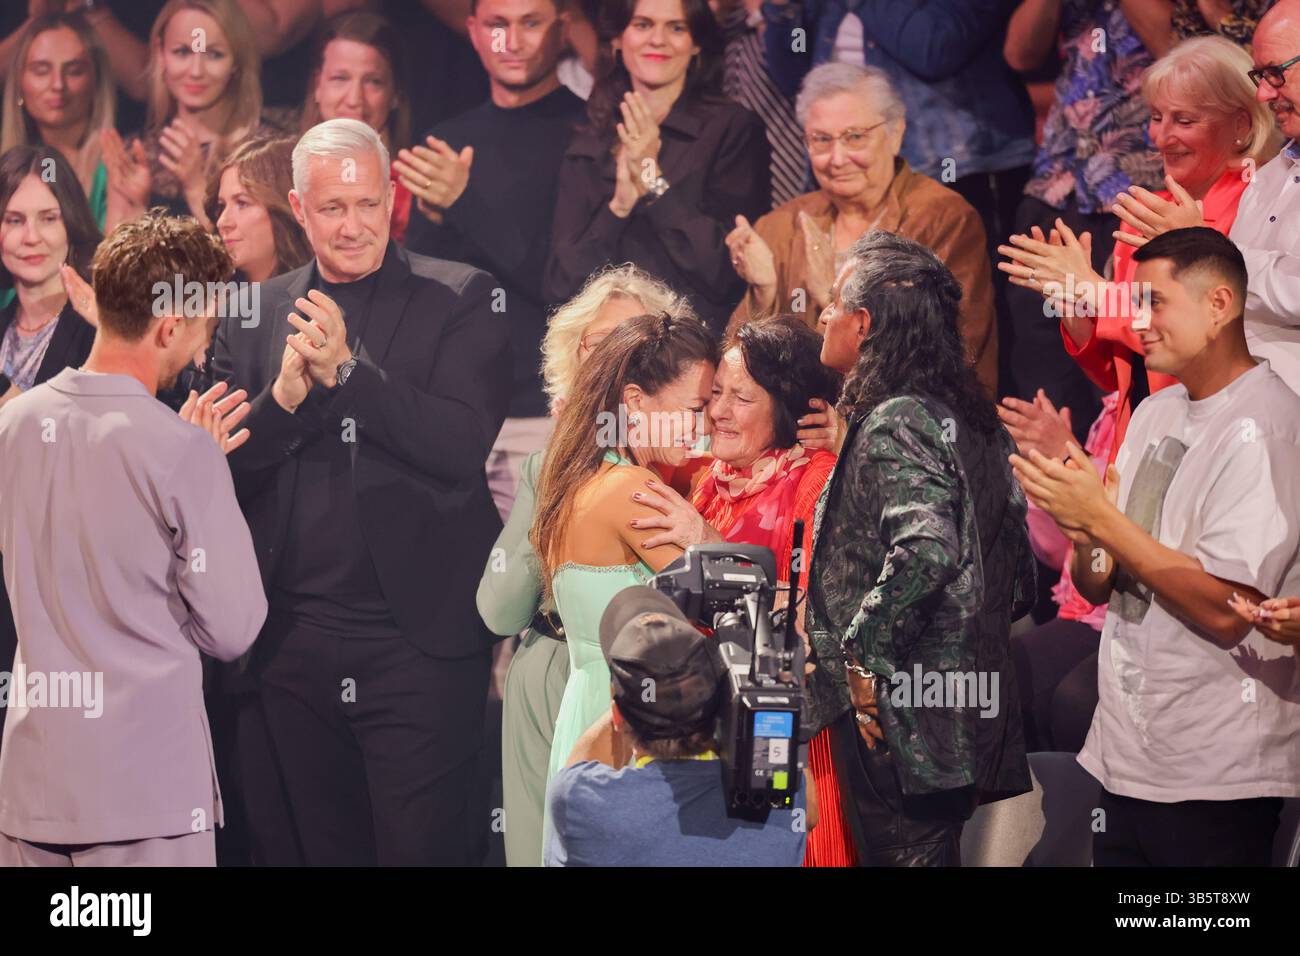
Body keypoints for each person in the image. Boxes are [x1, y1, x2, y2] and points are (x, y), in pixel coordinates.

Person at [208, 118, 512, 865]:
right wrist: (278, 405)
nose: (352, 226)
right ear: (299, 209)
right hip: (292, 645)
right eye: (333, 209)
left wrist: (348, 375)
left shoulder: (463, 296)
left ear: (393, 200)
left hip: (417, 647)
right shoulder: (251, 315)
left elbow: (456, 446)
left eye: (368, 205)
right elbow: (220, 477)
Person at [1011, 227, 1300, 865]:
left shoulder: (1265, 426)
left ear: (1220, 306)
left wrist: (1103, 522)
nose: (1136, 320)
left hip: (1215, 770)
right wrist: (1083, 521)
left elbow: (1229, 608)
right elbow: (1099, 581)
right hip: (1128, 756)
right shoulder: (1153, 414)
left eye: (1154, 301)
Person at [0, 210, 266, 867]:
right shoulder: (182, 449)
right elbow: (233, 628)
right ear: (170, 324)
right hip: (146, 795)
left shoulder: (15, 424)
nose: (204, 344)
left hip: (33, 788)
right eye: (203, 325)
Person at [807, 230, 1035, 866]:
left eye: (832, 302)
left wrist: (863, 661)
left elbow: (928, 550)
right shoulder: (972, 419)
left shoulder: (896, 419)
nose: (821, 314)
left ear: (865, 321)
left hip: (901, 715)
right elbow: (1016, 581)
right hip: (954, 706)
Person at [620, 314, 856, 865]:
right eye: (716, 394)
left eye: (742, 398)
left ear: (787, 405)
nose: (719, 411)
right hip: (708, 732)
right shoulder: (710, 481)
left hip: (785, 732)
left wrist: (707, 540)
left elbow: (805, 622)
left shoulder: (815, 481)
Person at [477, 263, 688, 867]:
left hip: (651, 689)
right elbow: (496, 609)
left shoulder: (689, 463)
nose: (612, 362)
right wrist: (561, 471)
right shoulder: (548, 467)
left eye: (635, 345)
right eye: (597, 345)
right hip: (547, 667)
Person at [1000, 35, 1279, 459]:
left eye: (1184, 121)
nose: (1161, 137)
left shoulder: (1260, 205)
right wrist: (1075, 306)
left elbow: (1205, 331)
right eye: (1155, 117)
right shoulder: (1143, 212)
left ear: (1241, 126)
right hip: (1143, 445)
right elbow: (1120, 375)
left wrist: (1094, 292)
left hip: (1227, 439)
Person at [399, 0, 587, 521]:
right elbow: (419, 282)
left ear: (564, 30)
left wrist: (465, 204)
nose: (513, 40)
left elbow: (566, 282)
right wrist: (438, 219)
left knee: (537, 593)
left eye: (531, 22)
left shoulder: (589, 134)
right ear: (474, 33)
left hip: (547, 408)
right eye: (498, 25)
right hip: (457, 412)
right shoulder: (448, 140)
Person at [727, 62, 998, 396]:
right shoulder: (779, 225)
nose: (837, 158)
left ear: (895, 133)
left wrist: (832, 296)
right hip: (793, 433)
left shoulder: (944, 219)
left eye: (854, 137)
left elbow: (948, 359)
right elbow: (734, 373)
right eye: (821, 140)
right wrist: (764, 293)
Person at [531, 309, 717, 790]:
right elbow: (741, 596)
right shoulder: (631, 492)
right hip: (629, 730)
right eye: (695, 408)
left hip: (589, 714)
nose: (703, 425)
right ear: (634, 400)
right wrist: (706, 535)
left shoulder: (581, 478)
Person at [544, 0, 771, 332]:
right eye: (643, 25)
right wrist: (618, 208)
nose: (658, 39)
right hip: (601, 348)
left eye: (676, 27)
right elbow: (561, 287)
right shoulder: (588, 137)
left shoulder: (732, 129)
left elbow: (725, 274)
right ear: (618, 39)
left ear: (695, 44)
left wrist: (652, 179)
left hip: (690, 346)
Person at [543, 586, 809, 866]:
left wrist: (631, 696)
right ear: (719, 702)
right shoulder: (779, 796)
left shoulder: (580, 801)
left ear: (618, 716)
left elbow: (576, 770)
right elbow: (805, 802)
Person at [1002, 0, 1169, 444]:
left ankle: (1108, 492)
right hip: (1056, 184)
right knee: (1041, 370)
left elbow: (1177, 51)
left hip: (1137, 190)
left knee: (1120, 360)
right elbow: (1020, 54)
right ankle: (1045, 499)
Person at [759, 0, 1038, 247]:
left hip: (953, 169)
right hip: (850, 171)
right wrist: (784, 9)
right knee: (855, 294)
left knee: (947, 296)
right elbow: (795, 81)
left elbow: (936, 50)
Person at [0, 144, 103, 757]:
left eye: (48, 217)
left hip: (72, 587)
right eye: (14, 219)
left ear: (72, 223)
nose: (31, 236)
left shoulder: (103, 325)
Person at [102, 0, 267, 231]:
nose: (196, 71)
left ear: (236, 61)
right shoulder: (137, 152)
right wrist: (136, 207)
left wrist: (196, 187)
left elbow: (250, 259)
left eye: (214, 54)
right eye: (182, 52)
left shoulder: (262, 152)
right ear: (161, 54)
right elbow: (113, 262)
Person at [299, 11, 415, 243]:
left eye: (373, 82)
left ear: (396, 95)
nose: (354, 99)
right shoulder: (276, 177)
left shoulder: (416, 191)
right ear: (317, 86)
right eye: (340, 78)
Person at [0, 12, 117, 231]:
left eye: (73, 71)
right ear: (19, 85)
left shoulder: (117, 170)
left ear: (95, 83)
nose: (57, 85)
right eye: (41, 71)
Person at [711, 0, 805, 208]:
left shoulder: (799, 20)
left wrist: (765, 15)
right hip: (726, 157)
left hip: (786, 156)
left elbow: (797, 74)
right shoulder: (727, 21)